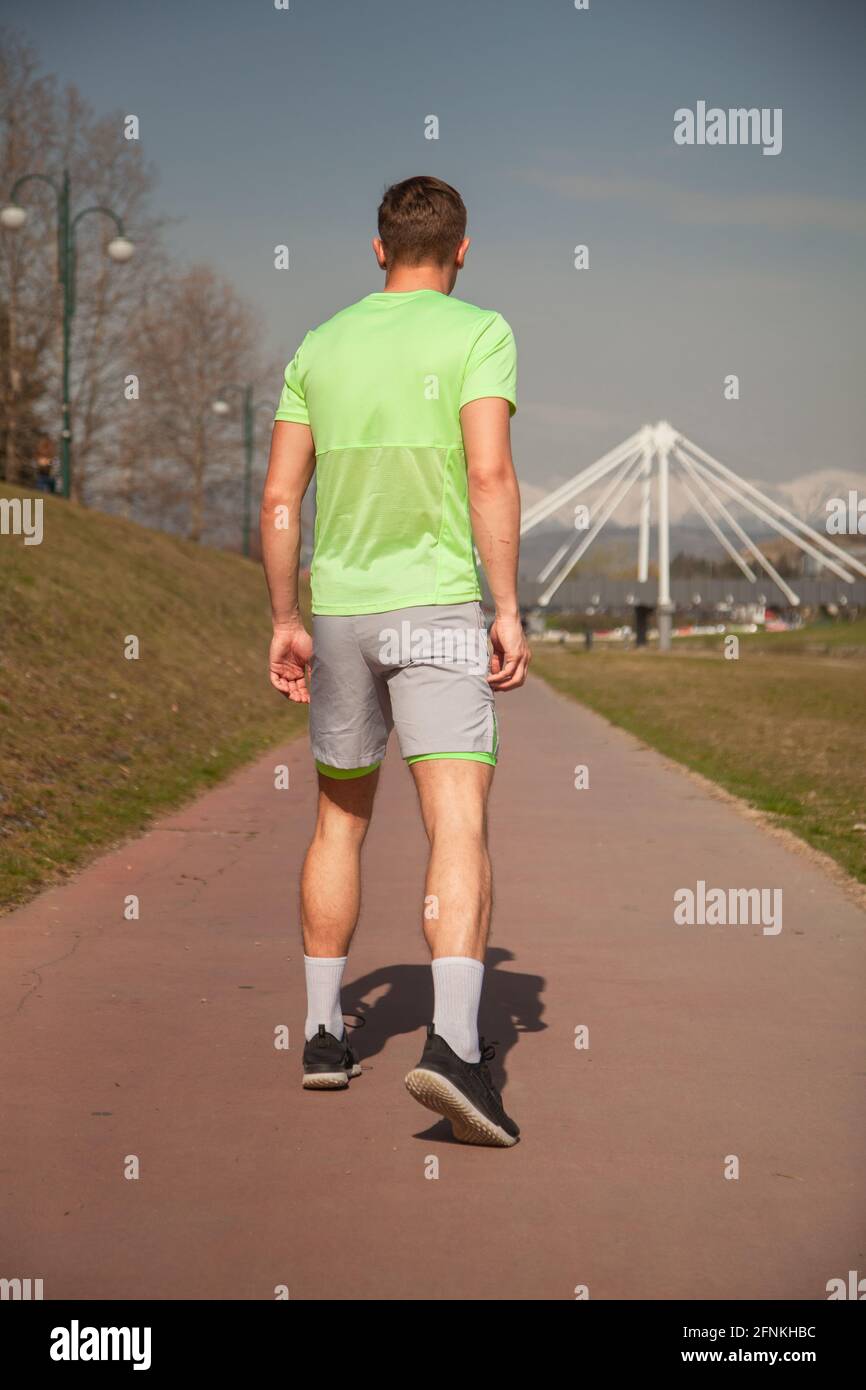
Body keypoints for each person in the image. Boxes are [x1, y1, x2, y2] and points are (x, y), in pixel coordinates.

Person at [260, 175, 530, 1146]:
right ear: (461, 250)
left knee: (338, 818)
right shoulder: (478, 333)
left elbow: (281, 499)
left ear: (376, 249)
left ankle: (325, 1035)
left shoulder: (318, 346)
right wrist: (503, 606)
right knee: (453, 821)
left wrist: (285, 614)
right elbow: (489, 471)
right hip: (437, 607)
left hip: (337, 610)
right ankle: (453, 1047)